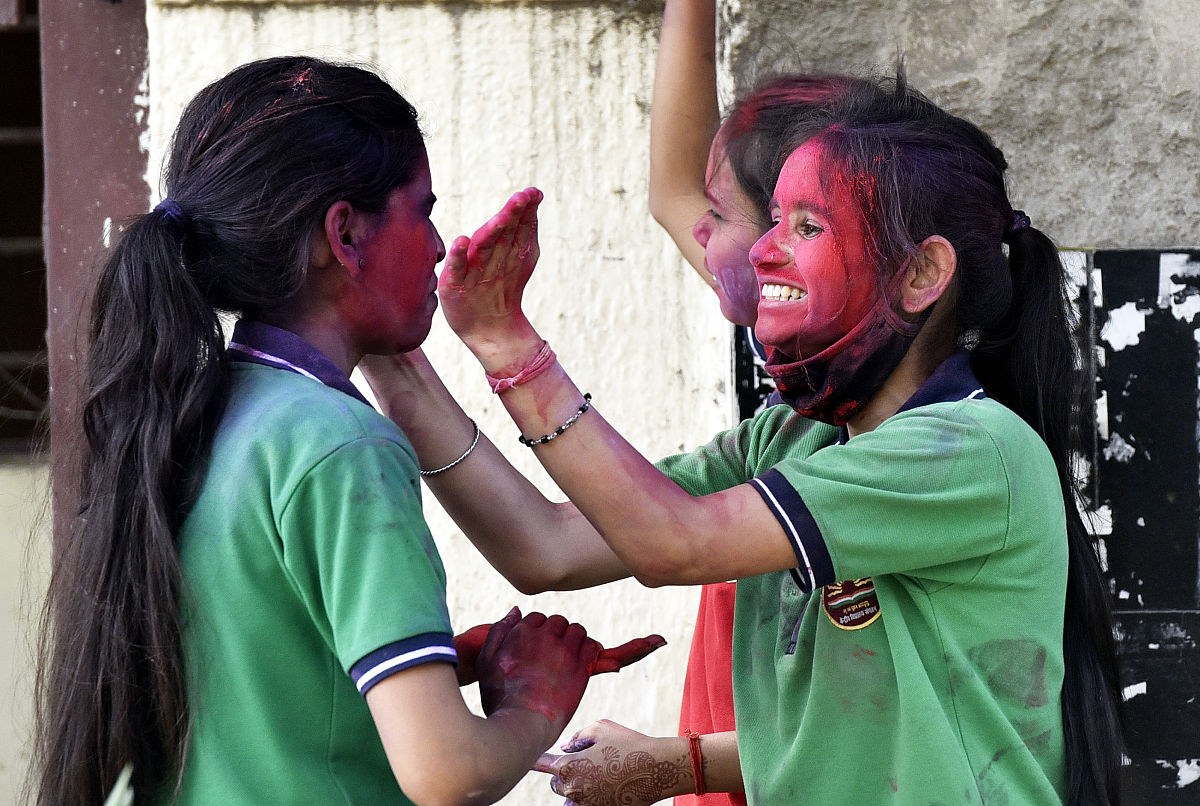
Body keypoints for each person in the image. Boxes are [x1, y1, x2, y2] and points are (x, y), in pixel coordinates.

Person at [364, 68, 1124, 805]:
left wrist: (514, 351)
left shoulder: (970, 452)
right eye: (772, 222)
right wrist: (387, 351)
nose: (764, 252)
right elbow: (545, 547)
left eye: (807, 227)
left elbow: (673, 543)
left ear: (922, 274)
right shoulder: (791, 438)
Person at [31, 56, 661, 806]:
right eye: (423, 210)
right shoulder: (342, 446)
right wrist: (535, 705)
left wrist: (426, 663)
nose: (437, 246)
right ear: (345, 234)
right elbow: (446, 772)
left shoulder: (198, 411)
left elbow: (257, 676)